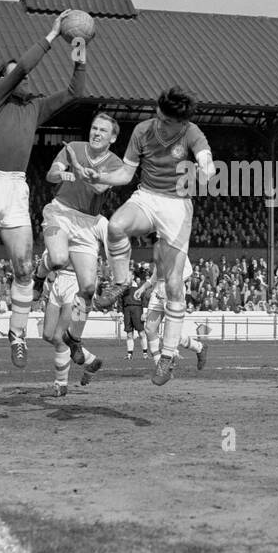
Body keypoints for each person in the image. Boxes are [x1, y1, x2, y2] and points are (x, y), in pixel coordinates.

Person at [0, 11, 86, 365]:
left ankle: (17, 334)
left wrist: (79, 55)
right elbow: (22, 66)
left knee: (22, 266)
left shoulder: (34, 108)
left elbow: (75, 92)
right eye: (18, 74)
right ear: (5, 80)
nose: (26, 76)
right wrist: (51, 35)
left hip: (15, 187)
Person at [83, 87, 214, 386]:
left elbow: (205, 161)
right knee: (116, 226)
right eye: (169, 121)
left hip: (177, 206)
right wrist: (100, 176)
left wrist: (206, 172)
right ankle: (120, 282)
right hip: (147, 197)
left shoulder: (192, 132)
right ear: (159, 113)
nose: (173, 128)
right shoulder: (143, 130)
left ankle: (166, 358)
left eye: (178, 124)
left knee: (174, 284)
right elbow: (126, 175)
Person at [32, 112, 123, 369]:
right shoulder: (73, 148)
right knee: (59, 259)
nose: (96, 133)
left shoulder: (115, 164)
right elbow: (51, 174)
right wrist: (62, 173)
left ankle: (75, 338)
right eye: (94, 128)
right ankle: (40, 273)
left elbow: (99, 189)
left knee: (89, 289)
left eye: (102, 130)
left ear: (112, 138)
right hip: (61, 211)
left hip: (88, 223)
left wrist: (80, 170)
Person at [38, 233, 106, 398]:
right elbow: (48, 258)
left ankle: (60, 385)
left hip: (76, 283)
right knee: (47, 335)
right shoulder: (58, 230)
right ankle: (91, 361)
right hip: (58, 283)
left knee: (59, 338)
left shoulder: (83, 232)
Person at [137, 255, 208, 373]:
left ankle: (199, 347)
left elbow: (188, 270)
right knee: (149, 329)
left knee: (171, 335)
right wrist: (143, 287)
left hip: (174, 293)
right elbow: (155, 275)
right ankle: (160, 365)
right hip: (158, 293)